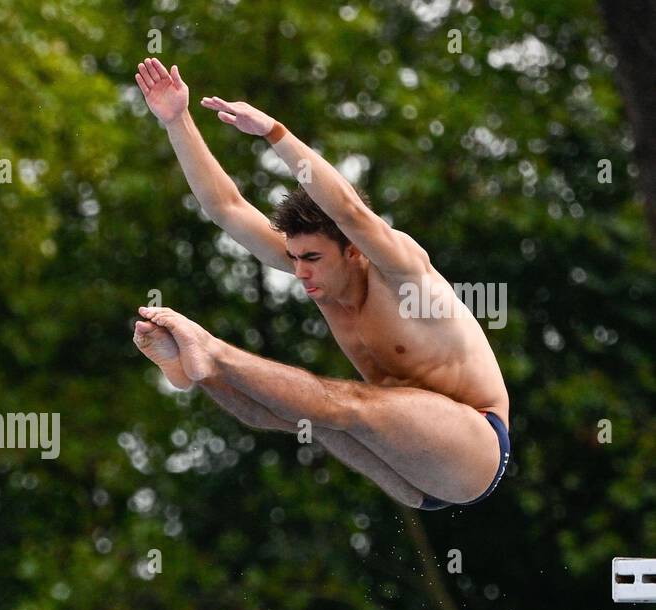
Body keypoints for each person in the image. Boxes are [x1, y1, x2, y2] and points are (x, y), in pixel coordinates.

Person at [132, 58, 510, 510]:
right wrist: (177, 120)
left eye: (312, 258)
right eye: (293, 258)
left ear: (352, 249)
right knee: (295, 414)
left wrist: (275, 133)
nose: (299, 272)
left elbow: (350, 212)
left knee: (343, 403)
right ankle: (203, 373)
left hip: (474, 448)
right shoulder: (315, 274)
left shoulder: (402, 273)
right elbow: (228, 207)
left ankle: (213, 351)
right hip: (412, 479)